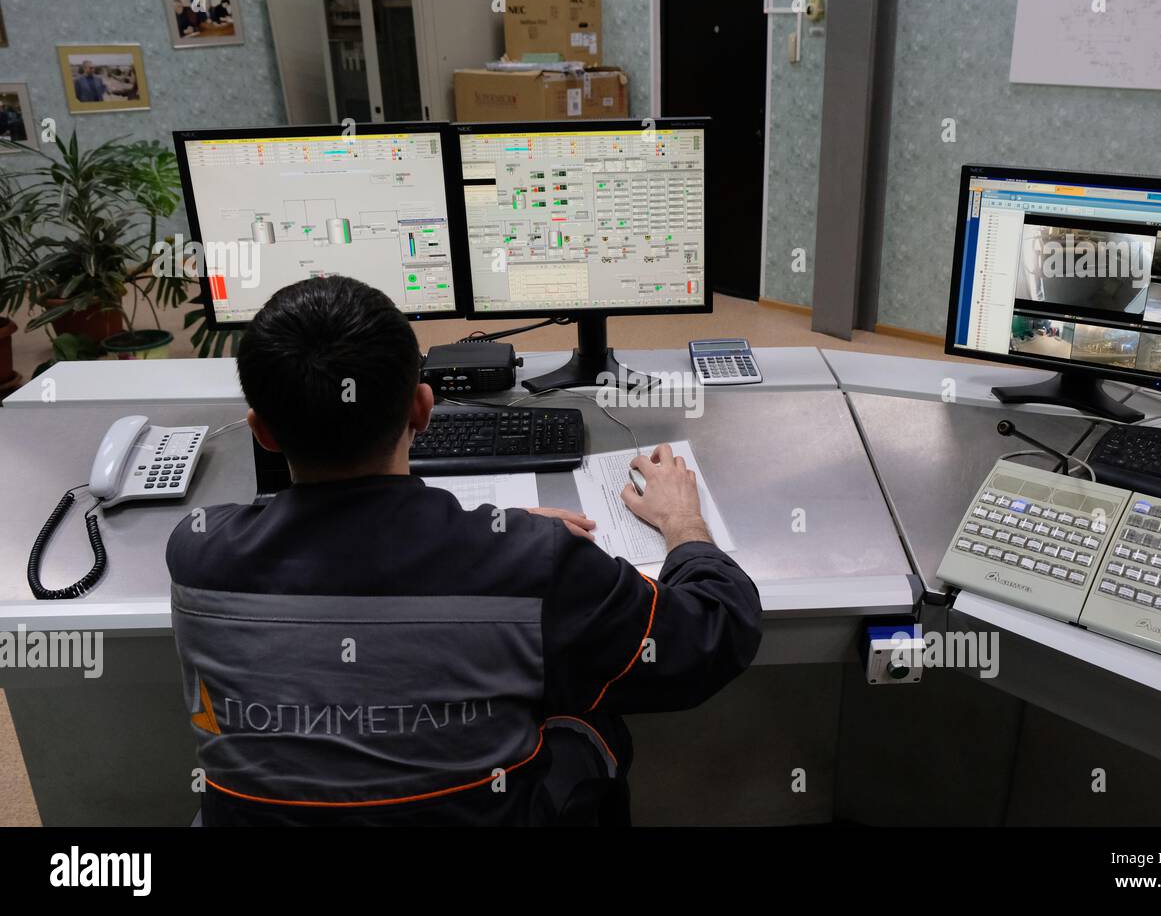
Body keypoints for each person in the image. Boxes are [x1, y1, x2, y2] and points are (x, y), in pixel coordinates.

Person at [166, 275, 762, 825]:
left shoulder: (199, 557)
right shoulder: (534, 564)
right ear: (423, 409)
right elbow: (711, 635)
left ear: (261, 430)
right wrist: (683, 521)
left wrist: (490, 538)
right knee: (586, 712)